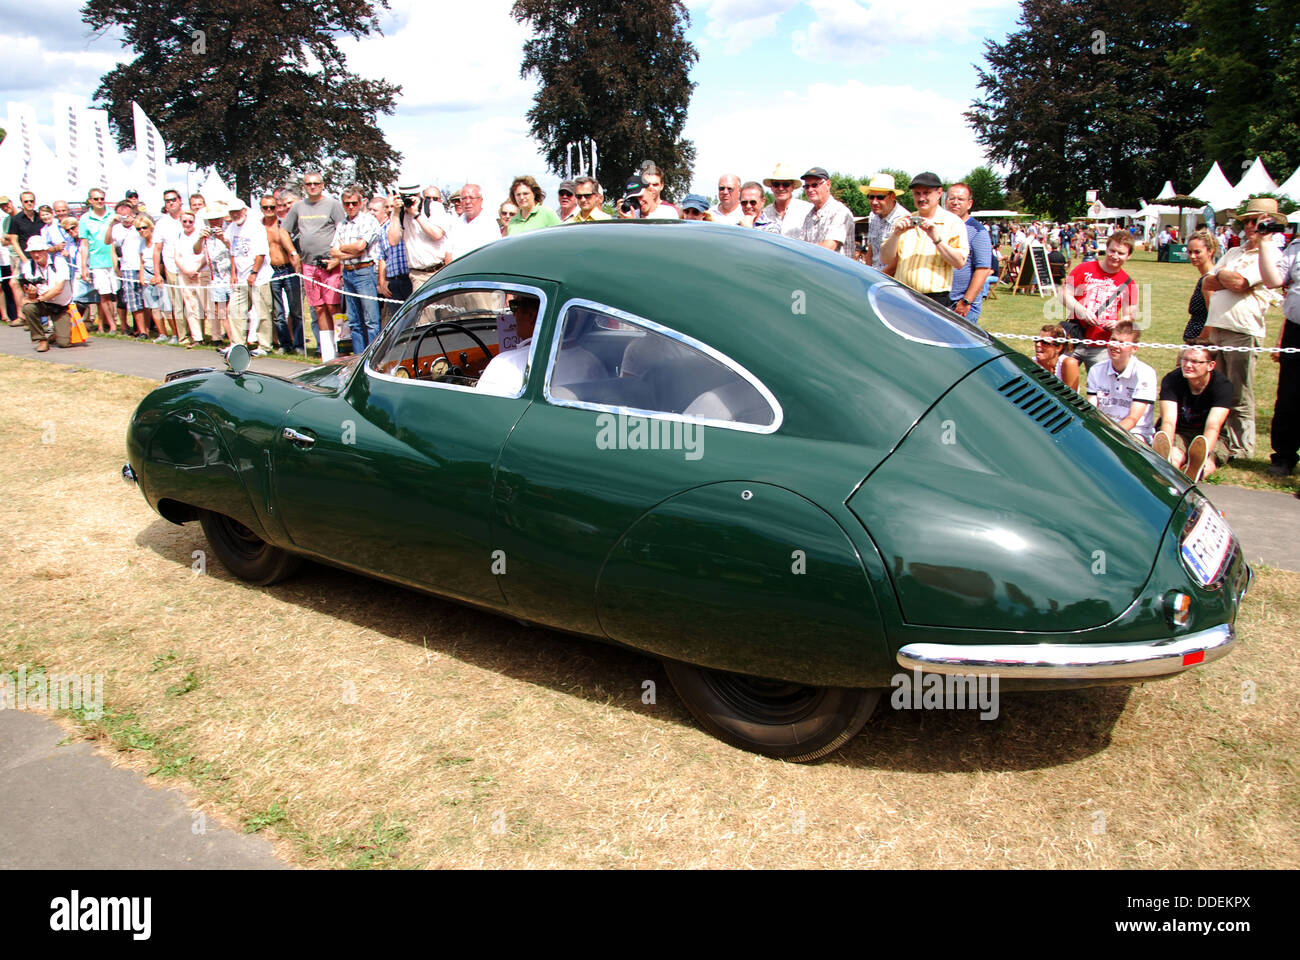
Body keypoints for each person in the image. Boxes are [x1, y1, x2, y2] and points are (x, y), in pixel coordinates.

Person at [1200, 197, 1285, 460]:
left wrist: (1224, 276)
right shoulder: (1234, 251)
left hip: (1243, 330)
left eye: (1256, 221)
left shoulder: (1270, 255)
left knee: (1239, 391)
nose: (1250, 226)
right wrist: (1226, 278)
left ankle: (1243, 446)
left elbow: (1238, 283)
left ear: (1268, 224)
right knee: (1220, 387)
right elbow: (1208, 282)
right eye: (1247, 221)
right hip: (1219, 327)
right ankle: (1222, 439)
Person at [282, 171, 345, 360]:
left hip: (330, 264)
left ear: (322, 185)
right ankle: (327, 353)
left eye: (316, 183)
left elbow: (344, 230)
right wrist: (293, 254)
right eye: (309, 184)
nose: (312, 187)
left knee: (334, 307)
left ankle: (343, 348)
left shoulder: (333, 205)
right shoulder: (298, 207)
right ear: (304, 186)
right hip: (309, 266)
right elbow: (283, 231)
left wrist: (339, 258)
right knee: (318, 308)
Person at [1059, 231, 1139, 375]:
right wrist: (1081, 311)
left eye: (1120, 253)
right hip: (1075, 338)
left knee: (1100, 387)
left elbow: (1129, 316)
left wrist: (1118, 324)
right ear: (1106, 249)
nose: (1115, 256)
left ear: (1128, 256)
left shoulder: (1129, 283)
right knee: (1059, 381)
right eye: (1112, 250)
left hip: (1102, 344)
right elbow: (1064, 295)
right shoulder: (1083, 269)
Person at [879, 172, 969, 300]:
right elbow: (885, 259)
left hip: (935, 298)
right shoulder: (904, 221)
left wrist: (937, 240)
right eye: (917, 193)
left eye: (926, 193)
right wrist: (895, 235)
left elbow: (959, 262)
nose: (921, 198)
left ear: (939, 193)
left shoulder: (953, 223)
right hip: (903, 295)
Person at [1154, 344, 1233, 481]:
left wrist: (1203, 453)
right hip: (1179, 431)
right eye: (1185, 359)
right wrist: (1167, 445)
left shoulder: (1223, 386)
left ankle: (1195, 471)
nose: (1187, 365)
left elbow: (1213, 426)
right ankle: (1169, 467)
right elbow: (1168, 420)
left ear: (1210, 365)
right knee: (1174, 457)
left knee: (1207, 464)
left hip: (1208, 434)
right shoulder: (1172, 380)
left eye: (1195, 361)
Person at [330, 184, 382, 355]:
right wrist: (350, 251)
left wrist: (343, 249)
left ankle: (373, 355)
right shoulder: (342, 224)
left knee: (371, 320)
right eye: (347, 203)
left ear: (360, 203)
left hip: (364, 272)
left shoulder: (369, 221)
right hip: (348, 273)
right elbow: (333, 251)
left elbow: (361, 246)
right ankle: (359, 357)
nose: (350, 207)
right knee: (354, 320)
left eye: (353, 203)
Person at [1086, 320, 1157, 443]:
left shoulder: (1145, 373)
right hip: (1103, 428)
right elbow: (1091, 409)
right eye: (1113, 340)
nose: (1114, 346)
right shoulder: (1096, 370)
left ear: (1134, 348)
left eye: (1122, 343)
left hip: (1135, 433)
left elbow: (1133, 418)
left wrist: (1108, 435)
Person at [1269, 228, 1300, 477]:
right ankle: (1283, 456)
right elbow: (1273, 280)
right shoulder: (1295, 249)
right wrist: (1265, 239)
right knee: (1289, 395)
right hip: (1295, 330)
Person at [388, 182, 452, 290]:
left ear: (418, 194)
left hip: (439, 271)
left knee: (445, 306)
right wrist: (395, 213)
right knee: (423, 307)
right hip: (417, 275)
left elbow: (437, 235)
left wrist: (416, 214)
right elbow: (392, 241)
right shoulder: (400, 213)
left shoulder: (433, 207)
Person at [945, 182, 993, 323]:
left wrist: (966, 301)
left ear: (969, 204)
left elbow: (983, 269)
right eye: (952, 198)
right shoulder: (942, 228)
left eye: (960, 199)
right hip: (942, 300)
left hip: (961, 304)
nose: (955, 203)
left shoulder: (978, 231)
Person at [18, 236, 74, 352]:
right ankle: (41, 339)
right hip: (43, 304)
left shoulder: (59, 262)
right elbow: (29, 292)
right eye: (33, 252)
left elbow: (58, 289)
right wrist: (31, 294)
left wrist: (38, 299)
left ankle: (56, 334)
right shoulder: (29, 266)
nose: (36, 255)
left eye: (39, 251)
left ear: (45, 250)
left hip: (61, 306)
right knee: (28, 308)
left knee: (64, 343)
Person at [261, 195, 302, 350]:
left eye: (272, 207)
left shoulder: (284, 226)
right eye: (266, 207)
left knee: (295, 309)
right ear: (262, 209)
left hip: (288, 269)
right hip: (271, 271)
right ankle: (285, 344)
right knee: (278, 312)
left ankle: (299, 344)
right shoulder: (259, 228)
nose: (270, 211)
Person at [476, 295, 540, 396]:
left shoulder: (504, 364)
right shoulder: (574, 359)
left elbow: (479, 407)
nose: (513, 315)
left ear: (531, 315)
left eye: (514, 306)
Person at [78, 189, 119, 333]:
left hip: (114, 259)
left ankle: (119, 323)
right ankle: (112, 324)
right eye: (96, 199)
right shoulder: (84, 219)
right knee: (104, 294)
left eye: (102, 198)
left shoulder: (113, 215)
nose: (100, 201)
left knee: (116, 293)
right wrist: (83, 266)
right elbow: (84, 244)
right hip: (97, 261)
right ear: (90, 201)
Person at [109, 204, 149, 338]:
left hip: (144, 265)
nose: (125, 218)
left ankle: (147, 329)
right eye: (122, 215)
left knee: (147, 300)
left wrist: (136, 222)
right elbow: (108, 242)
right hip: (127, 267)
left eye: (127, 214)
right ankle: (141, 330)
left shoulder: (139, 225)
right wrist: (111, 224)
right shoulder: (116, 228)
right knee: (133, 301)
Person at [199, 202, 236, 346]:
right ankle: (233, 342)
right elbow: (196, 250)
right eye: (211, 219)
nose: (214, 222)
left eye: (216, 218)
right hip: (216, 277)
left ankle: (238, 339)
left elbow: (233, 250)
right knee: (221, 311)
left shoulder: (229, 230)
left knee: (234, 309)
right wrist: (200, 238)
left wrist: (223, 239)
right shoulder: (206, 235)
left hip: (231, 275)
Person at [799, 166, 856, 258]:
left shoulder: (840, 212)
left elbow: (828, 247)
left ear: (828, 184)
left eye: (815, 185)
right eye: (806, 186)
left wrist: (802, 253)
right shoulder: (809, 216)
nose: (810, 190)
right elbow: (801, 244)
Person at [138, 217, 178, 343]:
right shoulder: (141, 244)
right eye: (138, 229)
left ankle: (175, 335)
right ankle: (162, 333)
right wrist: (141, 276)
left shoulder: (157, 242)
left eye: (144, 227)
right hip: (147, 277)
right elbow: (142, 262)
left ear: (150, 227)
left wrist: (157, 275)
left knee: (166, 307)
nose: (142, 231)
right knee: (154, 307)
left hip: (159, 277)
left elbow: (160, 260)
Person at [860, 173, 908, 268]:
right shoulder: (873, 216)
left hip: (891, 279)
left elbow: (897, 262)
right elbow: (870, 251)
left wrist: (878, 279)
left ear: (892, 196)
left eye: (880, 197)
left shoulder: (904, 219)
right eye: (871, 197)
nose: (874, 202)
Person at [174, 209, 206, 347]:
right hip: (184, 274)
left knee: (207, 305)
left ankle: (216, 336)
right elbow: (177, 257)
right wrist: (186, 271)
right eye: (185, 221)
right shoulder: (178, 236)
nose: (187, 224)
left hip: (200, 273)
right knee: (191, 306)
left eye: (190, 221)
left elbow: (205, 255)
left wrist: (196, 270)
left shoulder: (200, 235)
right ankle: (197, 337)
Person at [1182, 229, 1218, 343]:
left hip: (1200, 342)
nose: (1192, 256)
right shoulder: (1207, 277)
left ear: (1210, 251)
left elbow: (1213, 317)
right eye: (1189, 252)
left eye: (1197, 252)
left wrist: (1200, 342)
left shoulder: (1209, 279)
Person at [448, 184, 501, 260]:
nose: (468, 201)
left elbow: (494, 255)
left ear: (481, 200)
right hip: (455, 270)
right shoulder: (456, 223)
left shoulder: (489, 224)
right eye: (464, 198)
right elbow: (448, 252)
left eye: (472, 198)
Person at [762, 163, 812, 239]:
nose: (781, 188)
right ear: (771, 187)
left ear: (793, 187)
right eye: (776, 184)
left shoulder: (807, 210)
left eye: (785, 184)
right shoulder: (764, 214)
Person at [1033, 323, 1080, 391]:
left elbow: (1071, 398)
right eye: (1037, 340)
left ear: (1058, 348)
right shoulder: (1031, 363)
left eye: (1045, 343)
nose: (1038, 344)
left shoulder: (1069, 363)